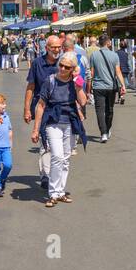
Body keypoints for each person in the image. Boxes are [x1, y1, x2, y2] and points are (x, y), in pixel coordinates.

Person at [31, 51, 88, 206]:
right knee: (56, 156)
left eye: (66, 67)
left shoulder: (75, 81)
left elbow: (83, 102)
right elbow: (41, 105)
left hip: (69, 121)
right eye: (61, 65)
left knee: (66, 158)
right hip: (53, 121)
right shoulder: (50, 81)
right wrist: (36, 129)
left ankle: (61, 191)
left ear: (72, 69)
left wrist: (78, 85)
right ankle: (53, 193)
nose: (62, 69)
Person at [24, 35, 63, 190]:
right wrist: (27, 109)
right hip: (42, 108)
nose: (56, 49)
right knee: (45, 142)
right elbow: (30, 87)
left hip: (61, 108)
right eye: (53, 47)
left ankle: (55, 174)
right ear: (46, 47)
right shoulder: (37, 64)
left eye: (59, 47)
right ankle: (45, 175)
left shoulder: (64, 63)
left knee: (60, 146)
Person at [88, 34, 127, 142]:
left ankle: (103, 133)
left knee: (99, 110)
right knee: (109, 110)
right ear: (108, 43)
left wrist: (89, 87)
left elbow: (91, 72)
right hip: (111, 86)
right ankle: (107, 129)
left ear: (99, 43)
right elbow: (118, 72)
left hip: (98, 86)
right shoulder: (114, 55)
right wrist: (123, 85)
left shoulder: (94, 55)